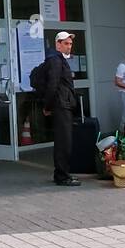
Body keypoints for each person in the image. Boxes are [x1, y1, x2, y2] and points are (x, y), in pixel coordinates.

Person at [41, 31, 80, 186]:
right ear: (58, 44)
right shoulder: (56, 61)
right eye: (65, 43)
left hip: (63, 105)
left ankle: (62, 174)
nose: (69, 46)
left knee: (64, 141)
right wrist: (48, 106)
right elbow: (53, 85)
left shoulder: (60, 60)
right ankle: (62, 176)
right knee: (64, 142)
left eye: (70, 44)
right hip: (60, 106)